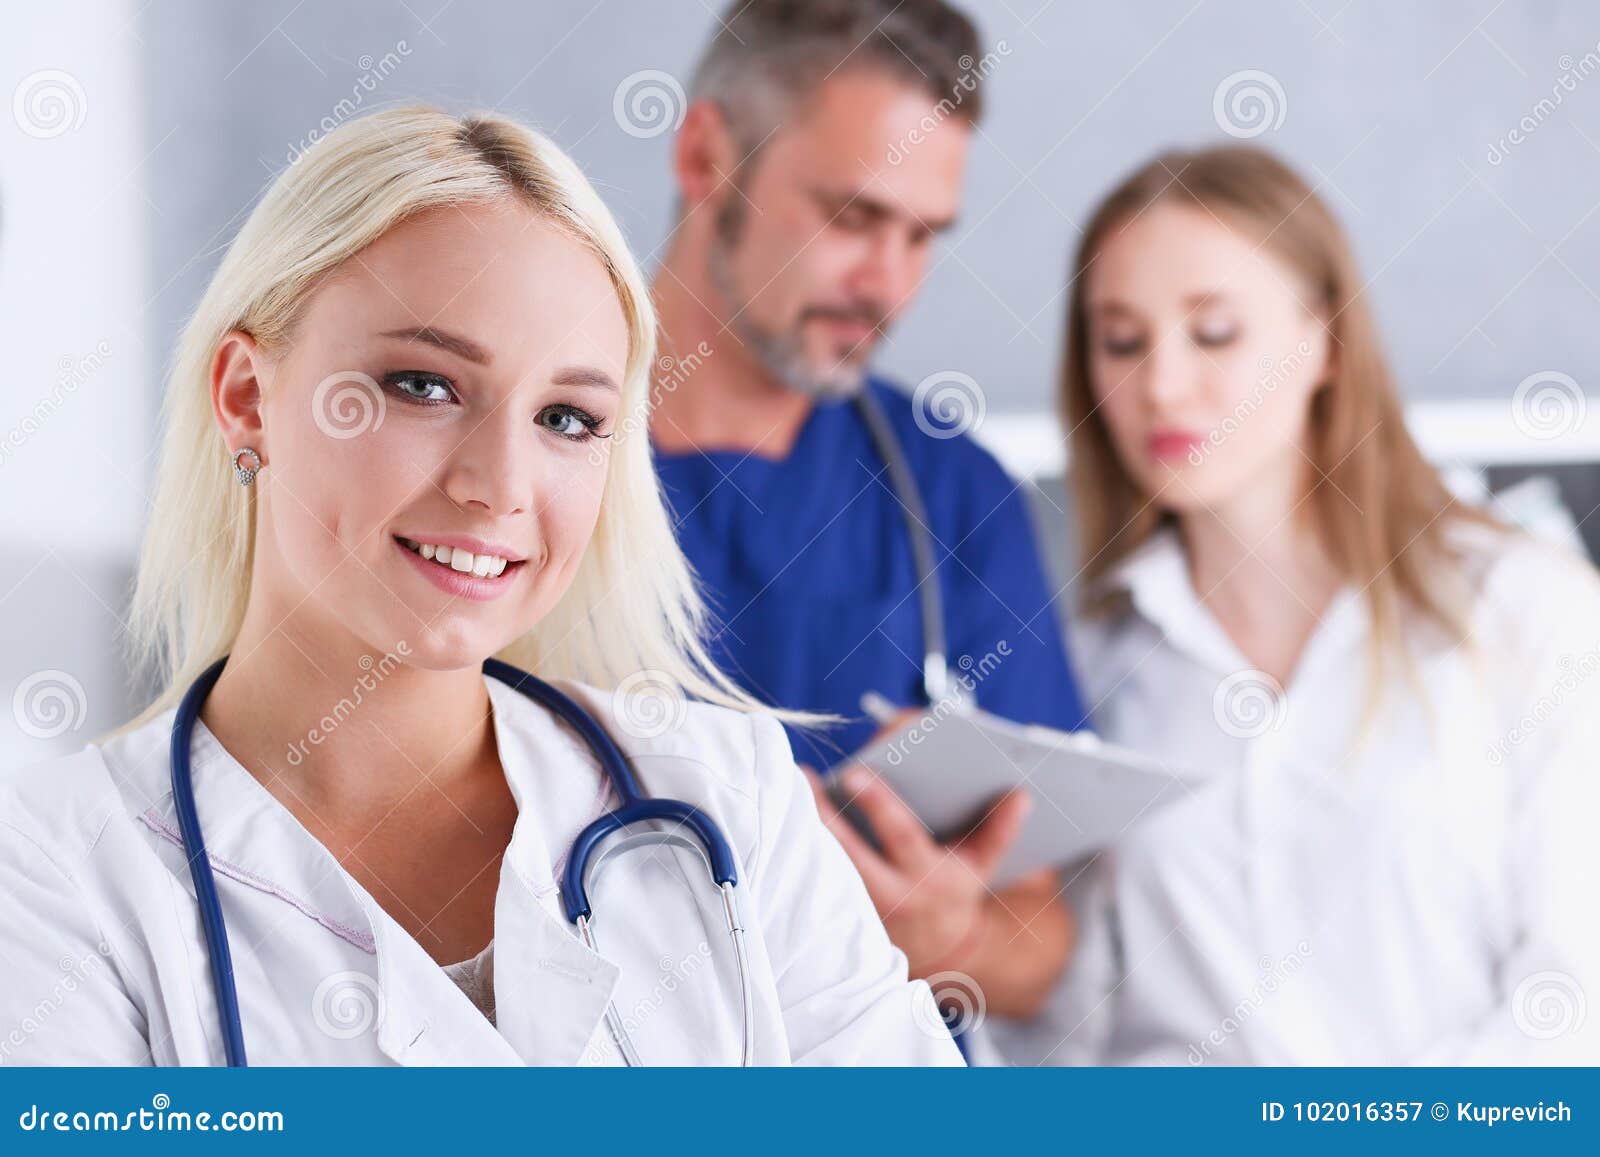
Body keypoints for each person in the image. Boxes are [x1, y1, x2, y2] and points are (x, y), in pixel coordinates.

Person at [0, 105, 962, 1067]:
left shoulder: (731, 802)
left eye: (567, 417)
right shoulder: (54, 872)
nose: (499, 485)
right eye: (424, 385)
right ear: (248, 397)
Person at [1012, 144, 1600, 1065]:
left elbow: (1573, 1006)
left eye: (1213, 333)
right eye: (1121, 340)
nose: (1160, 385)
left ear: (1324, 339)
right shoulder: (1091, 663)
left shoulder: (1530, 611)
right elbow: (1072, 1032)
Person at [648, 0, 1086, 1032]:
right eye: (850, 216)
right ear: (709, 155)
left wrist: (952, 942)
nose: (887, 283)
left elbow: (1047, 934)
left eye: (923, 235)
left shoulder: (953, 492)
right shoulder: (526, 463)